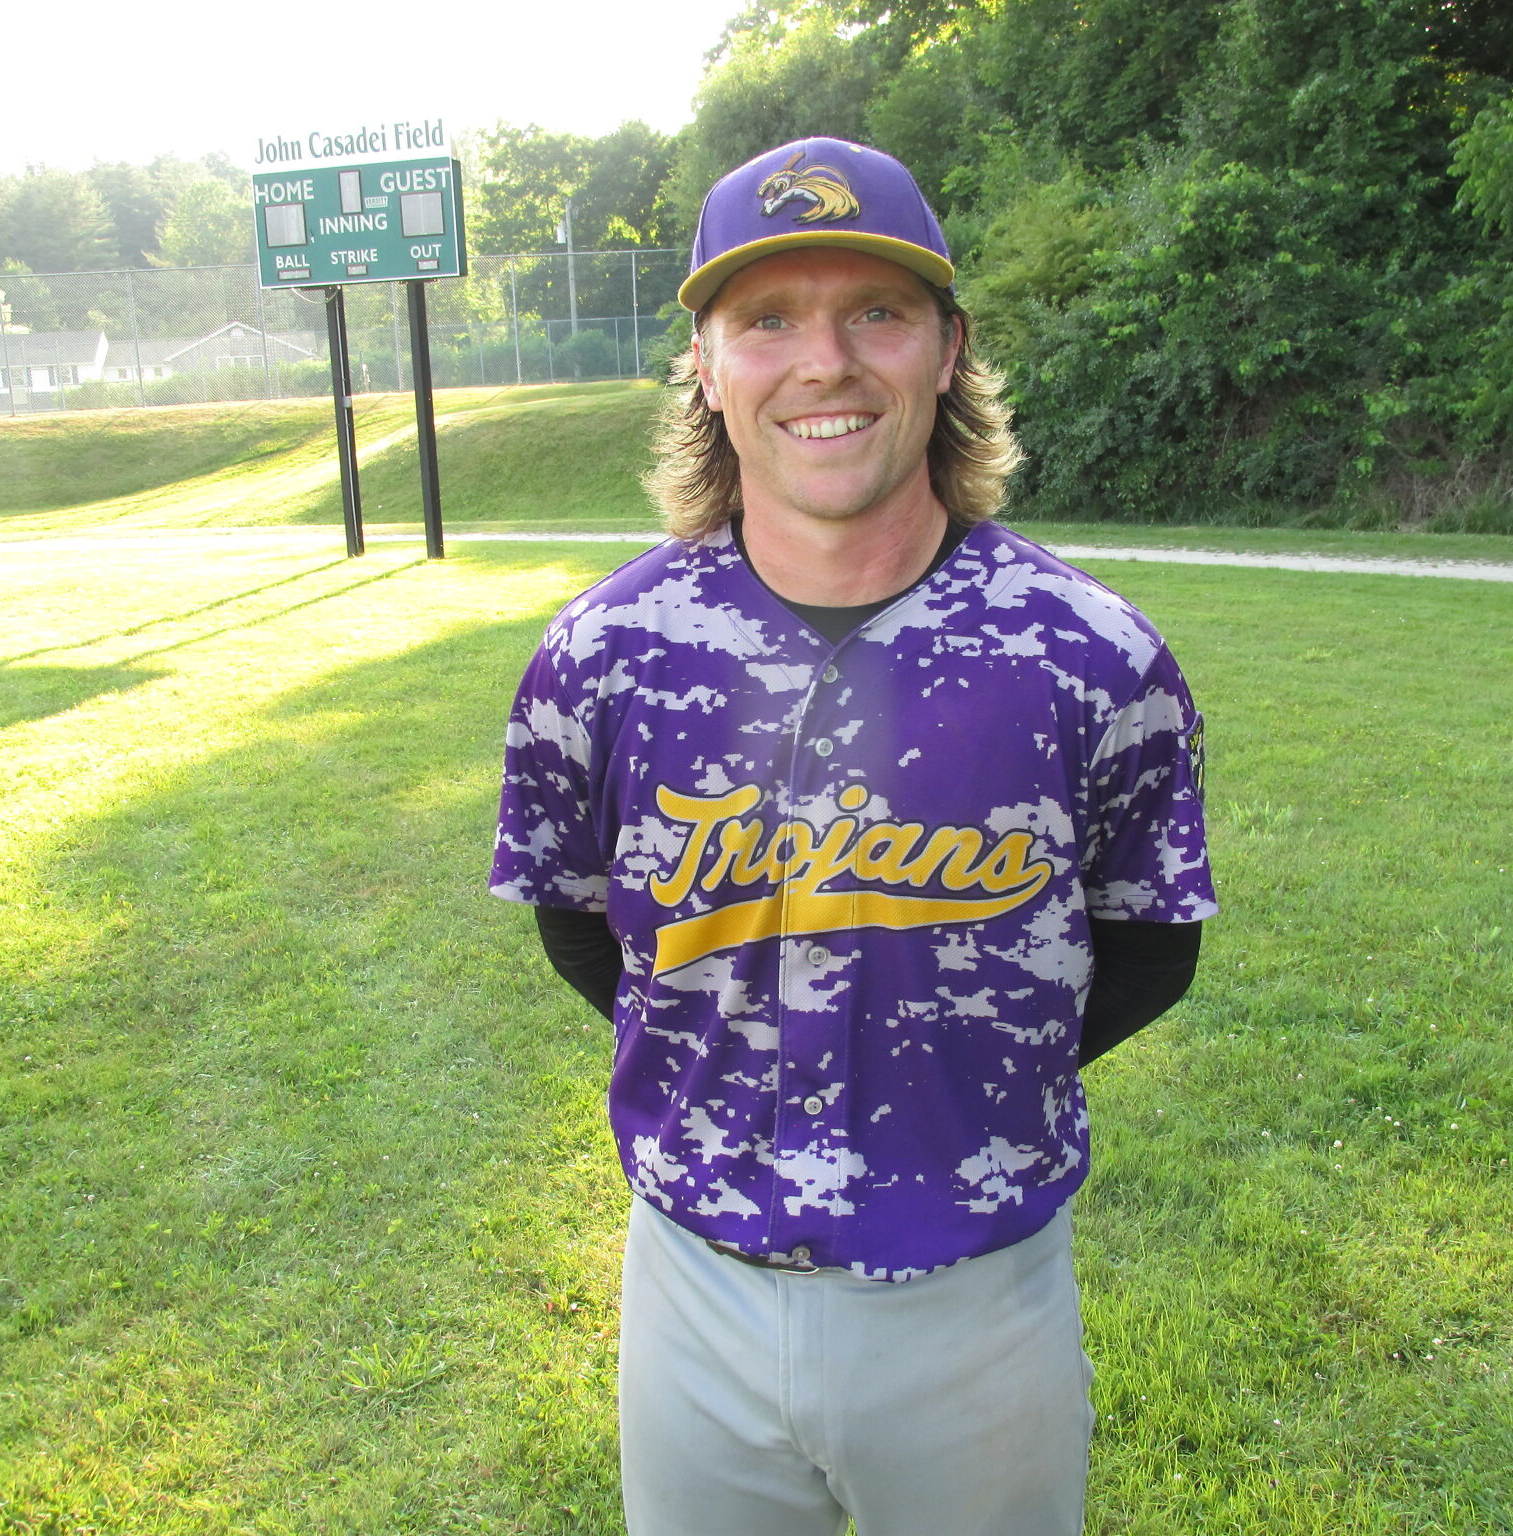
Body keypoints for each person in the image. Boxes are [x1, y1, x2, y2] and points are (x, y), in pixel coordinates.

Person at [489, 136, 1216, 1536]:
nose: (823, 362)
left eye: (873, 311)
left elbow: (1149, 947)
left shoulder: (1092, 657)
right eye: (766, 319)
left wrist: (951, 1079)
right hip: (692, 1284)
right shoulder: (603, 656)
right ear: (705, 363)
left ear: (947, 350)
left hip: (975, 1288)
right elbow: (581, 923)